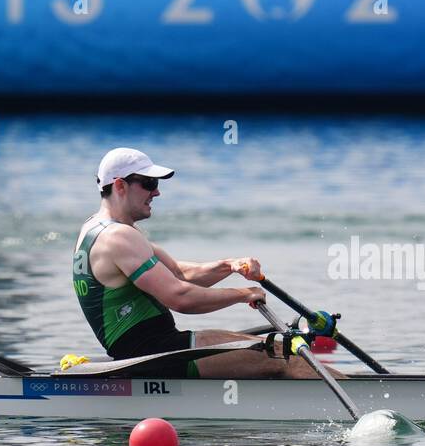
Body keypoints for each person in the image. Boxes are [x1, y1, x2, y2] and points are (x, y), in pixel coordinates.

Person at [73, 147, 332, 379]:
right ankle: (365, 404)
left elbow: (180, 273)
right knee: (283, 356)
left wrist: (230, 265)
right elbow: (180, 297)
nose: (157, 192)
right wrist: (243, 295)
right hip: (156, 356)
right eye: (149, 183)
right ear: (119, 185)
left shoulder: (97, 228)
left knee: (272, 347)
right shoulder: (119, 237)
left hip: (159, 348)